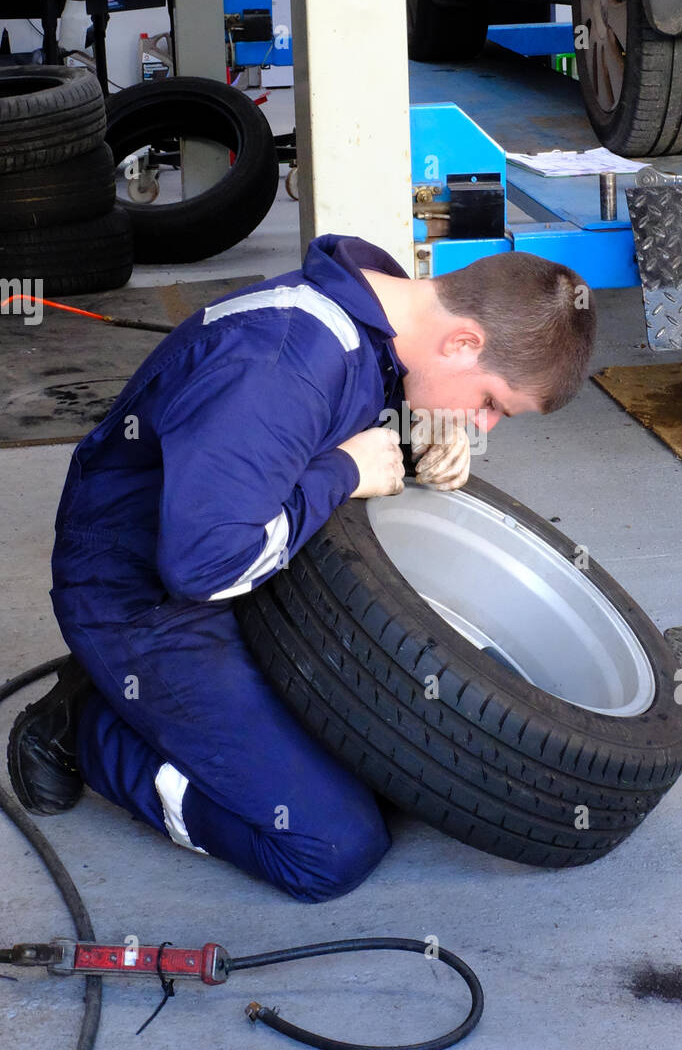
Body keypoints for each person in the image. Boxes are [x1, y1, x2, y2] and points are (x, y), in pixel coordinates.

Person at [7, 234, 596, 901]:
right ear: (462, 343)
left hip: (260, 562)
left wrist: (425, 425)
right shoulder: (284, 358)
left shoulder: (387, 312)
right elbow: (202, 566)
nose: (484, 424)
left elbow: (333, 425)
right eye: (490, 403)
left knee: (404, 762)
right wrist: (349, 469)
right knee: (330, 845)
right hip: (144, 599)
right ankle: (90, 727)